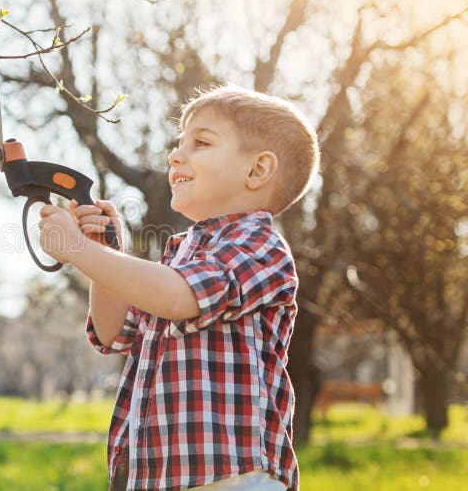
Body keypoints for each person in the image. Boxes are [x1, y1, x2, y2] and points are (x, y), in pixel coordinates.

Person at [37, 84, 320, 491]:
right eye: (179, 141)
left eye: (201, 142)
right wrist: (104, 253)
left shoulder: (259, 246)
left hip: (233, 478)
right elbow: (113, 331)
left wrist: (79, 250)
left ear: (257, 170)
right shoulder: (181, 254)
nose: (175, 154)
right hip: (157, 476)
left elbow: (179, 297)